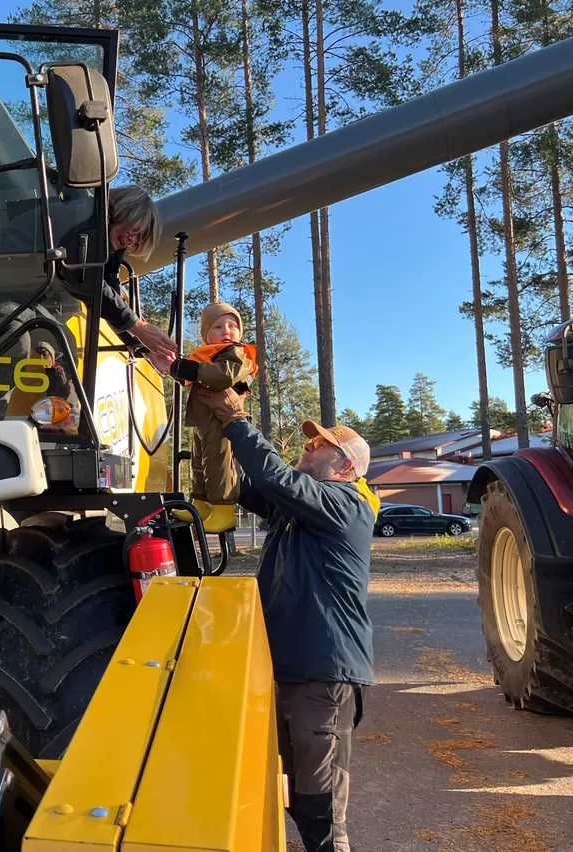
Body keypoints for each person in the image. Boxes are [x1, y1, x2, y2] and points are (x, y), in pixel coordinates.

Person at [192, 383, 379, 852]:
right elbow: (244, 485)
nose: (309, 446)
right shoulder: (295, 509)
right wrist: (212, 430)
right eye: (310, 440)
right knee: (292, 784)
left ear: (346, 466)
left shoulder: (347, 506)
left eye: (321, 444)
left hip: (325, 670)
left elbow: (275, 477)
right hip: (287, 667)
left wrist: (237, 421)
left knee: (321, 793)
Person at [168, 301, 257, 533]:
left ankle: (224, 509)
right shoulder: (206, 357)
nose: (227, 331)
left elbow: (222, 377)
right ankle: (200, 504)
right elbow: (192, 379)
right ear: (206, 334)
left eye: (232, 325)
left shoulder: (238, 354)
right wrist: (173, 368)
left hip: (223, 419)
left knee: (220, 463)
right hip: (203, 420)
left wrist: (188, 369)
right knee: (199, 462)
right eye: (217, 327)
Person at [99, 185, 177, 373]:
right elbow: (87, 279)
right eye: (133, 230)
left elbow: (111, 297)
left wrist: (145, 348)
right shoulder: (77, 233)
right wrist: (138, 326)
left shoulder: (111, 256)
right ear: (119, 212)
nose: (131, 240)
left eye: (138, 236)